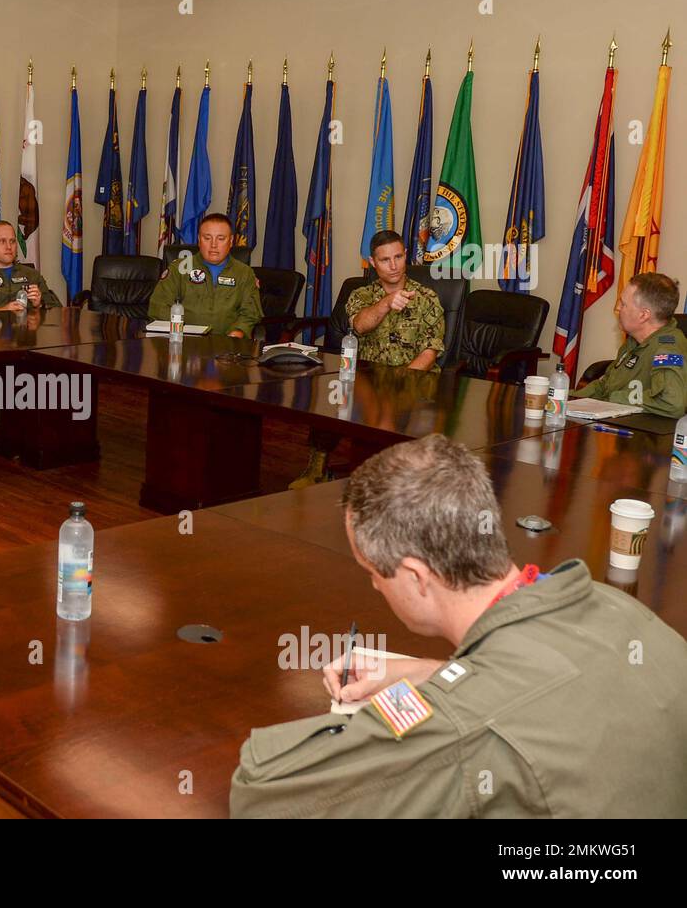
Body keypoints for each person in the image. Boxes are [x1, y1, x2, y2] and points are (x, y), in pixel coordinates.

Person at [230, 434, 687, 818]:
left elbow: (261, 793)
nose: (373, 587)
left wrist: (442, 693)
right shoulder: (613, 604)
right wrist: (425, 670)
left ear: (415, 577)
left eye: (372, 571)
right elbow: (554, 687)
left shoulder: (461, 725)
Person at [290, 230, 445, 489]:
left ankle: (396, 483)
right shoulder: (360, 295)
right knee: (331, 399)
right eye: (385, 260)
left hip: (414, 379)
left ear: (406, 256)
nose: (394, 265)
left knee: (393, 414)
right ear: (372, 262)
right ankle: (317, 468)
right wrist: (386, 303)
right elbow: (360, 326)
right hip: (367, 379)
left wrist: (401, 383)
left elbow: (430, 351)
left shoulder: (427, 297)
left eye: (398, 257)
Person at [571, 271, 687, 419]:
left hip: (643, 435)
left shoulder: (668, 348)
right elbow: (606, 386)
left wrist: (618, 398)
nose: (618, 308)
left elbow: (672, 402)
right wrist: (568, 398)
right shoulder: (633, 341)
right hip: (615, 421)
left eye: (623, 304)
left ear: (644, 315)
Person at [149, 213, 263, 338]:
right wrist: (181, 332)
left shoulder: (244, 273)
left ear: (230, 241)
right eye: (207, 238)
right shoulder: (179, 269)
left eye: (220, 239)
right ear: (199, 239)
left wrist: (238, 332)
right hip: (184, 342)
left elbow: (250, 313)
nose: (213, 245)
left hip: (228, 346)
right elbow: (159, 307)